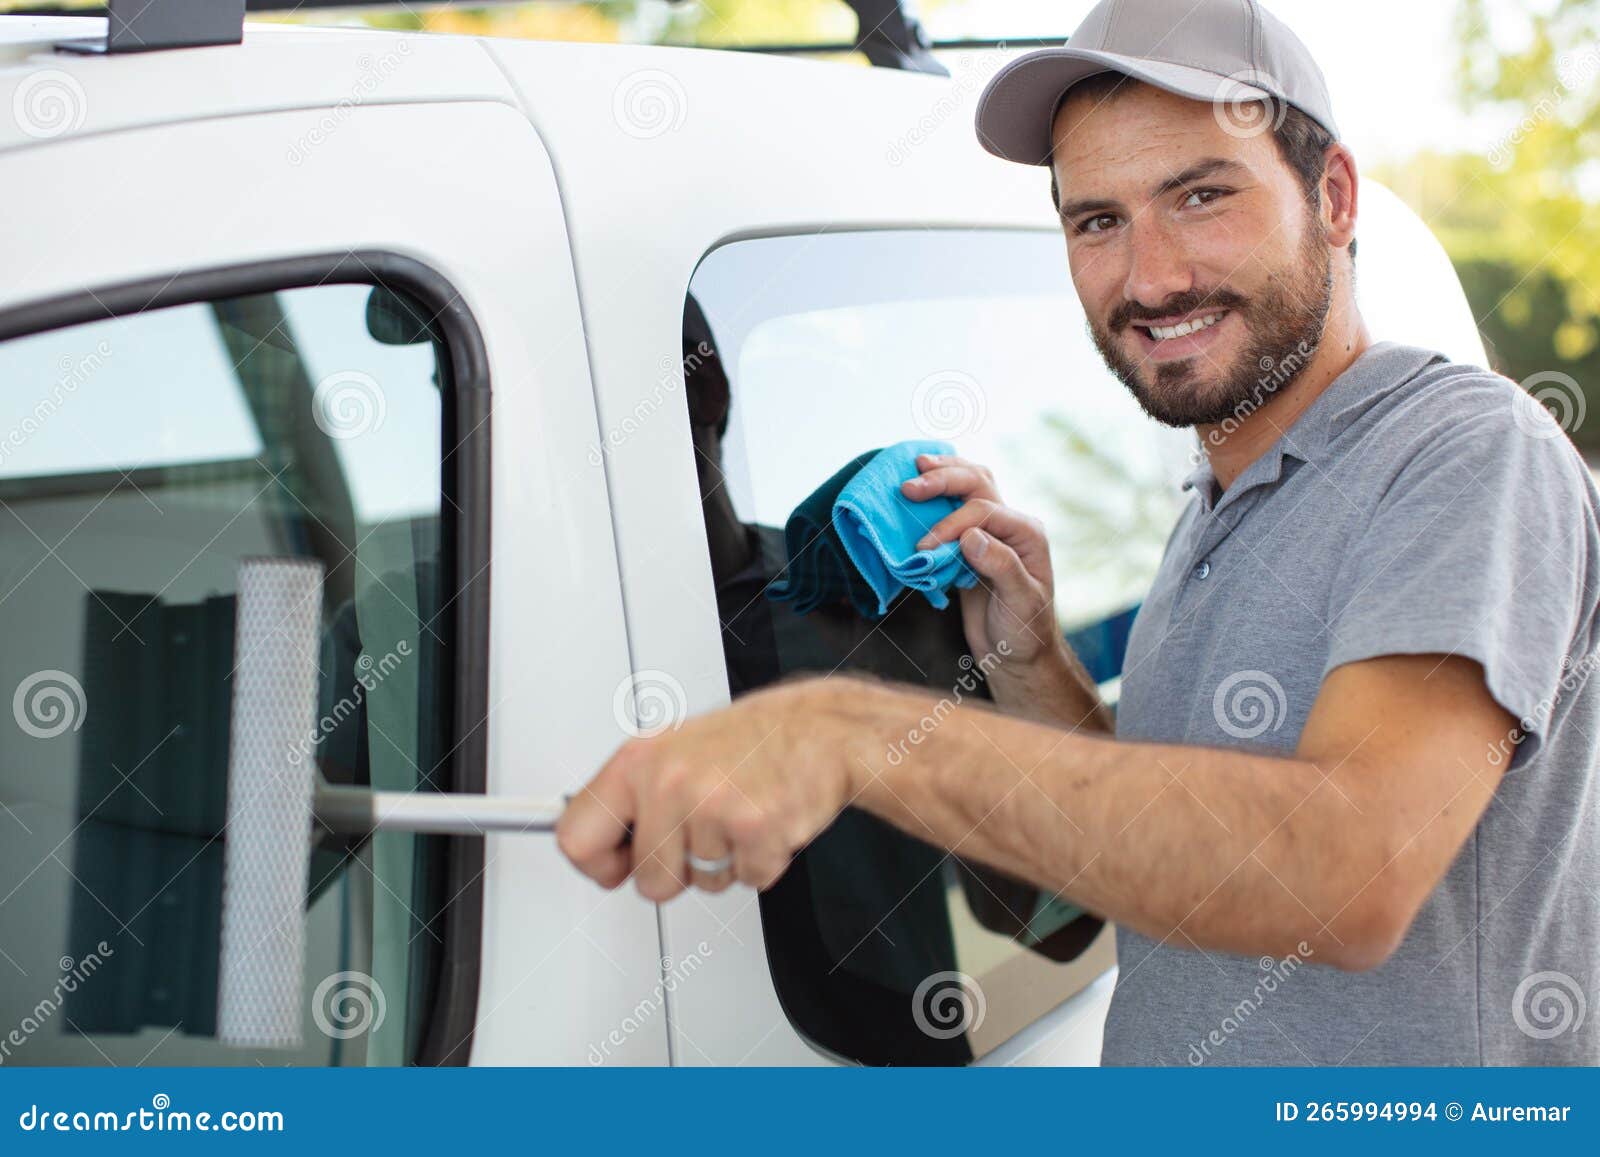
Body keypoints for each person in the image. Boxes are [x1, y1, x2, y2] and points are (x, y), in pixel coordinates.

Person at [559, 0, 1600, 1065]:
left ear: (1331, 197)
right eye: (1098, 220)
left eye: (1199, 196)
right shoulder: (1220, 497)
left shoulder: (1466, 451)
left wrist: (840, 731)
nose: (1149, 277)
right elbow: (1112, 886)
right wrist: (1029, 659)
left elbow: (1347, 869)